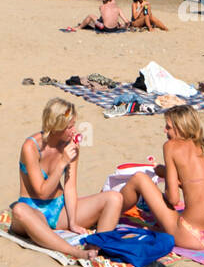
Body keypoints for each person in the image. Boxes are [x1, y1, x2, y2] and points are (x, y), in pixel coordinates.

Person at [8, 99, 122, 258]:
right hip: (33, 210)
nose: (74, 131)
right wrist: (62, 163)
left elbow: (70, 186)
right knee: (19, 210)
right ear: (56, 126)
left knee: (114, 198)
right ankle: (74, 252)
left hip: (59, 209)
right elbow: (42, 193)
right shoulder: (31, 147)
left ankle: (95, 247)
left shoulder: (70, 145)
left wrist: (73, 221)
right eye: (69, 127)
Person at [118, 106, 204, 252]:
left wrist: (165, 175)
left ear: (180, 128)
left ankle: (111, 209)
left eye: (168, 127)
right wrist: (169, 174)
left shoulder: (171, 147)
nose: (165, 131)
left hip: (192, 237)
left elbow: (173, 199)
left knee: (139, 178)